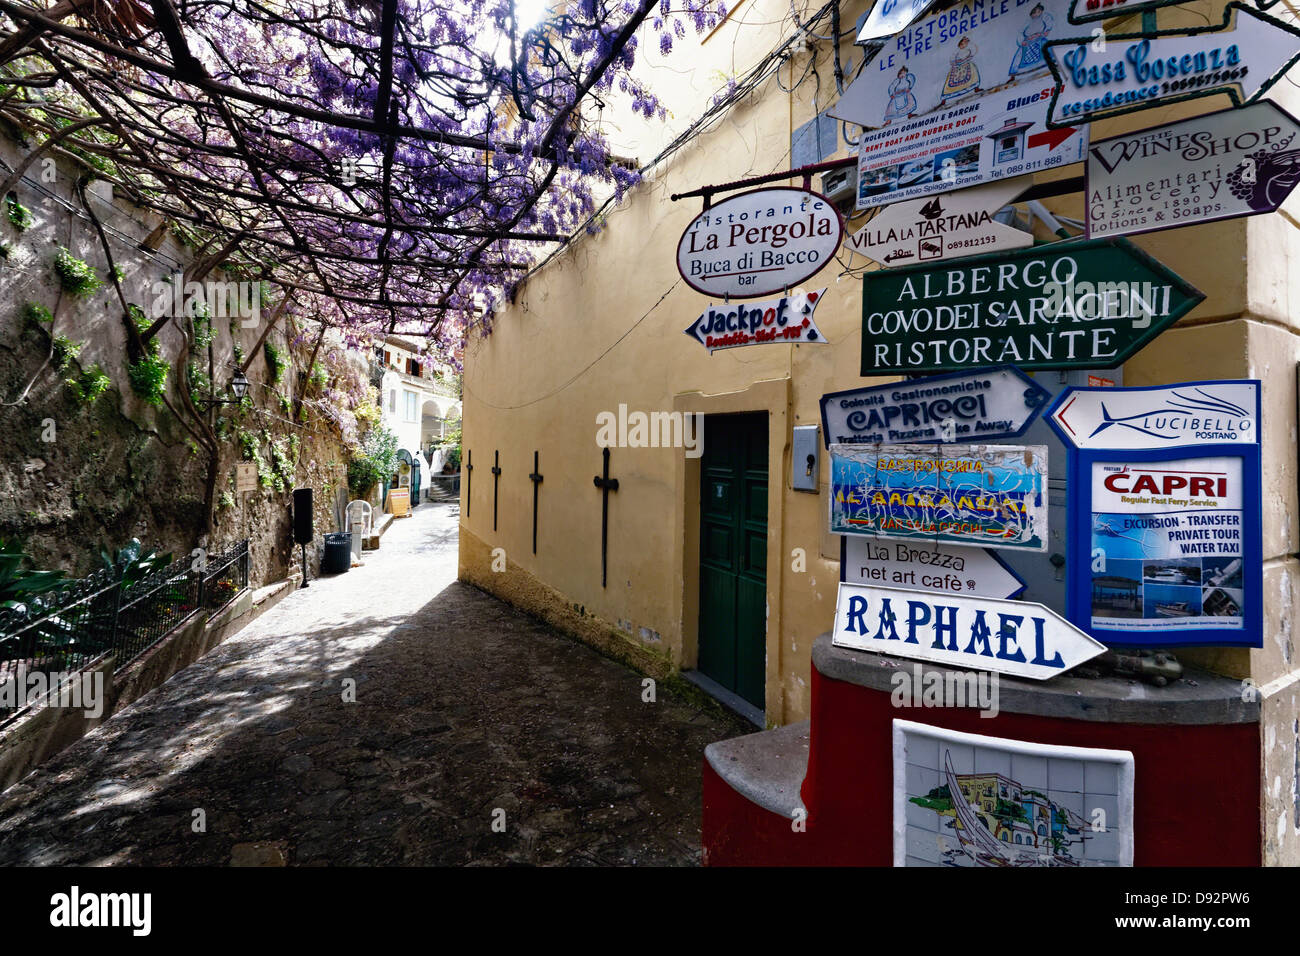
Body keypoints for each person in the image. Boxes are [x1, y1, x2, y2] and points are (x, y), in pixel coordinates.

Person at [1008, 4, 1053, 79]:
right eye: (1035, 12)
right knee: (1019, 56)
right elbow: (1020, 32)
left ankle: (1053, 63)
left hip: (1039, 37)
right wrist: (1022, 41)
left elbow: (1049, 22)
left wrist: (1046, 31)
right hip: (1027, 41)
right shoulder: (1028, 21)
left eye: (1039, 12)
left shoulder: (1044, 17)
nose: (1037, 14)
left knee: (1047, 47)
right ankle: (1013, 75)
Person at [940, 37, 980, 103]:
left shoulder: (968, 49)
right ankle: (944, 99)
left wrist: (970, 43)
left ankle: (976, 88)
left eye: (965, 43)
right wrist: (957, 63)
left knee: (973, 73)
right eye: (962, 43)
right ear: (960, 44)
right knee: (949, 82)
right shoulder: (957, 51)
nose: (964, 45)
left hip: (967, 65)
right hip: (957, 67)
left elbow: (974, 51)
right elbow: (952, 59)